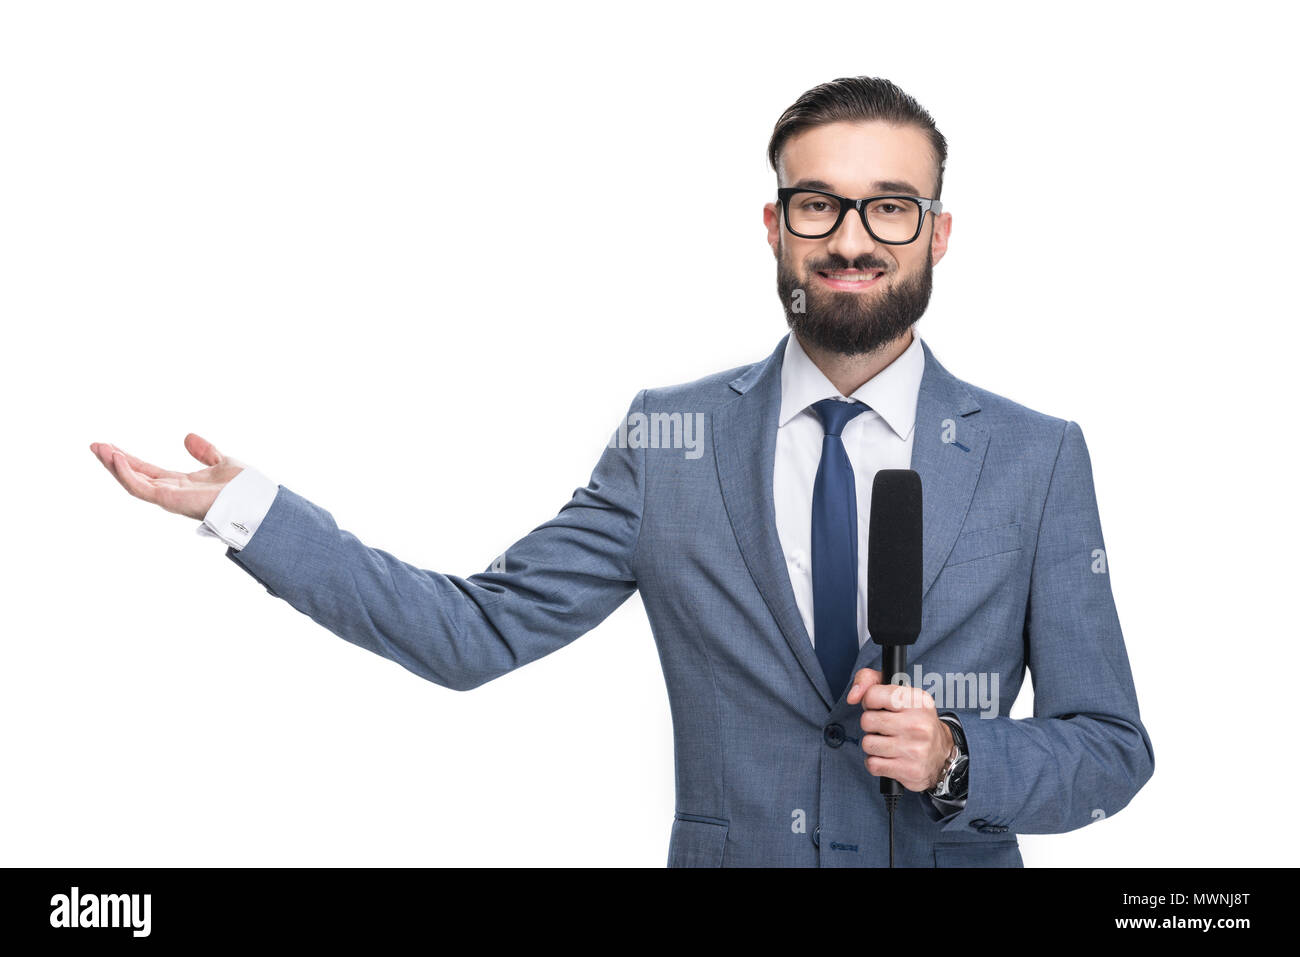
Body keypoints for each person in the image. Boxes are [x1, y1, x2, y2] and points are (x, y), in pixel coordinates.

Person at [90, 76, 1154, 867]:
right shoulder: (669, 440)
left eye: (891, 206)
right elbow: (476, 634)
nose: (852, 238)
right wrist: (249, 511)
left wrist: (959, 758)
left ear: (937, 232)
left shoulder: (1035, 456)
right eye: (817, 204)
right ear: (775, 227)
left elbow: (1108, 749)